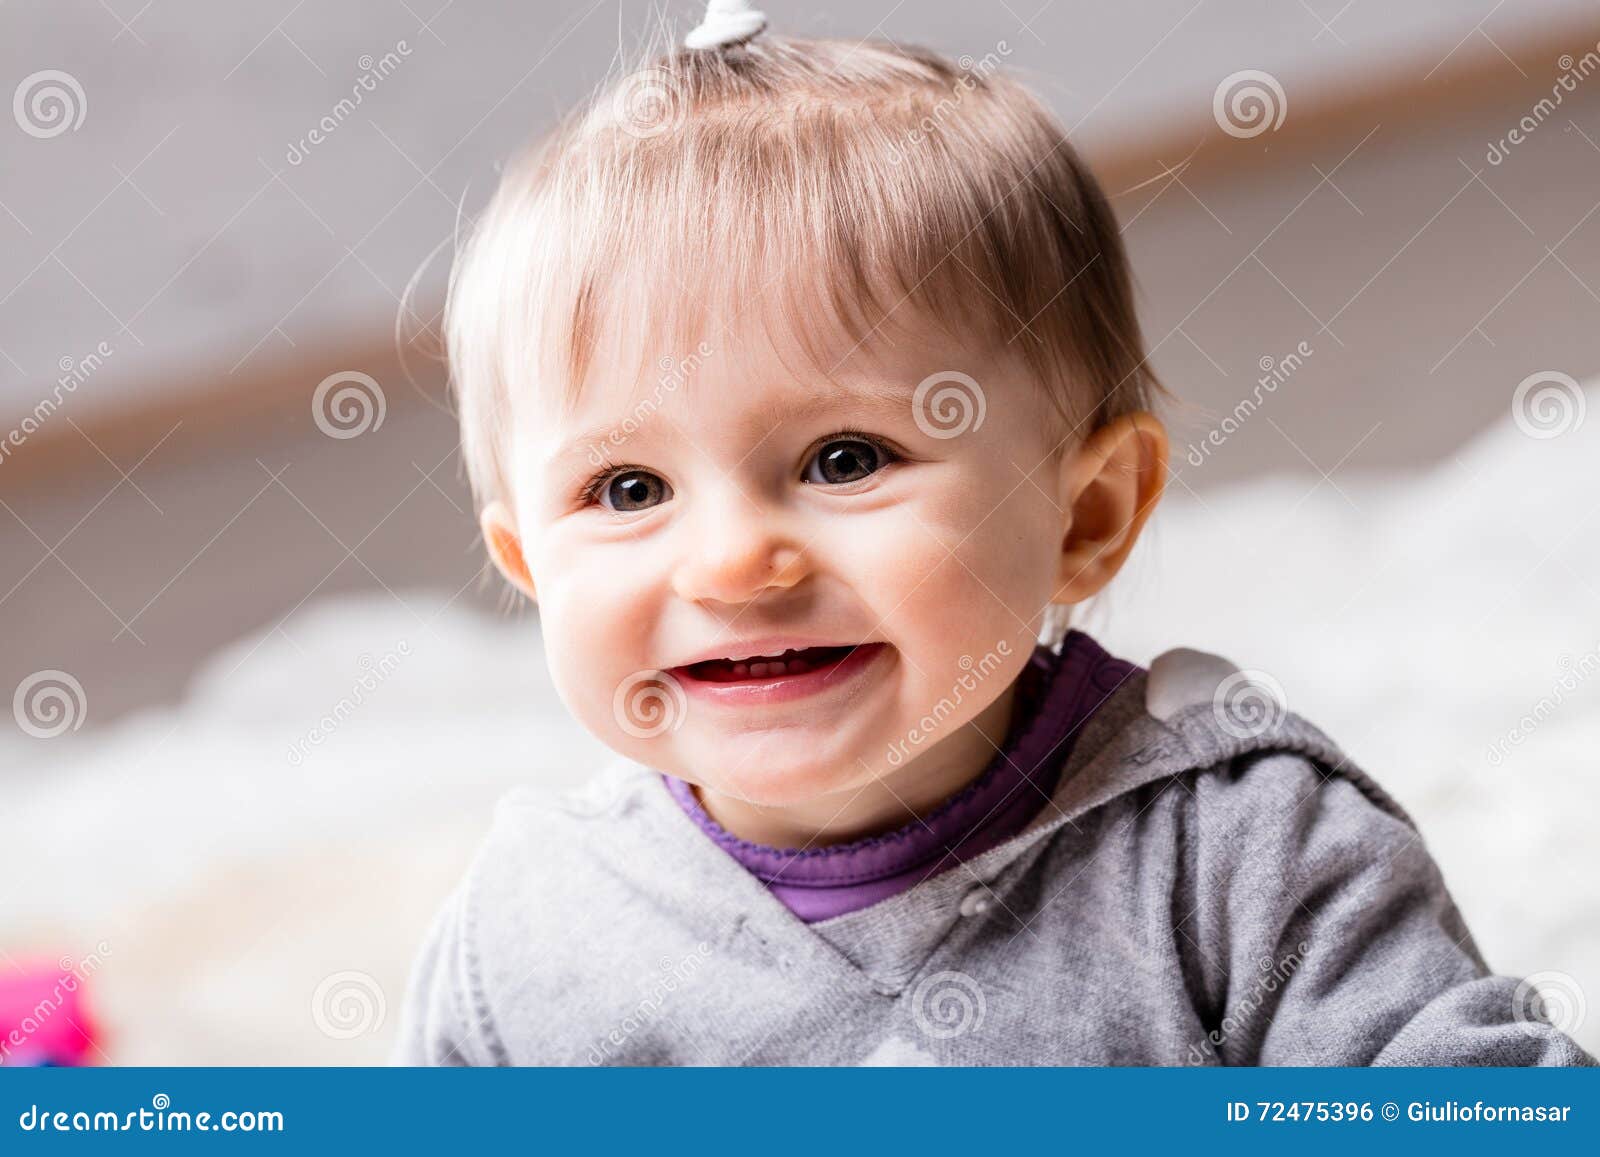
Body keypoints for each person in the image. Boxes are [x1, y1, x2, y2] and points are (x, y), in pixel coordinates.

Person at [393, 0, 1594, 1066]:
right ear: (528, 567)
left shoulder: (1234, 849)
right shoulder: (530, 941)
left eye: (844, 459)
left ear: (1086, 514)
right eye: (626, 489)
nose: (728, 562)